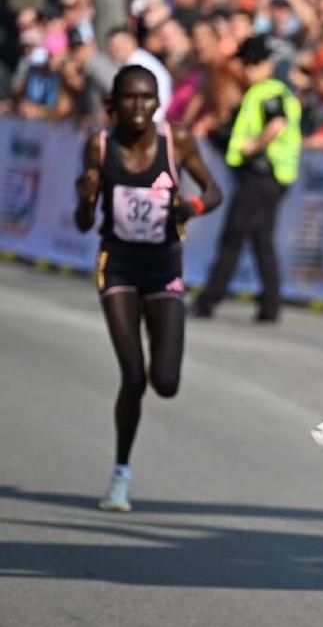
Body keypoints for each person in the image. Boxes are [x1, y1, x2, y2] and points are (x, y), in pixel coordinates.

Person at [73, 65, 223, 511]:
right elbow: (84, 222)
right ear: (114, 103)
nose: (139, 107)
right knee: (133, 377)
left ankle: (160, 350)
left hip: (164, 269)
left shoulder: (175, 141)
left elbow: (213, 192)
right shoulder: (100, 146)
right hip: (117, 267)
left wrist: (189, 206)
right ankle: (120, 474)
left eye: (147, 98)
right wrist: (85, 196)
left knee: (168, 382)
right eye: (129, 99)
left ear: (158, 103)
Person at [193, 36, 301, 322]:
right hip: (270, 176)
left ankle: (209, 299)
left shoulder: (268, 92)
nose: (248, 69)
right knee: (260, 239)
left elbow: (276, 123)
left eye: (253, 63)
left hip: (262, 174)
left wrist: (253, 146)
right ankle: (270, 304)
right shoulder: (266, 91)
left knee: (233, 237)